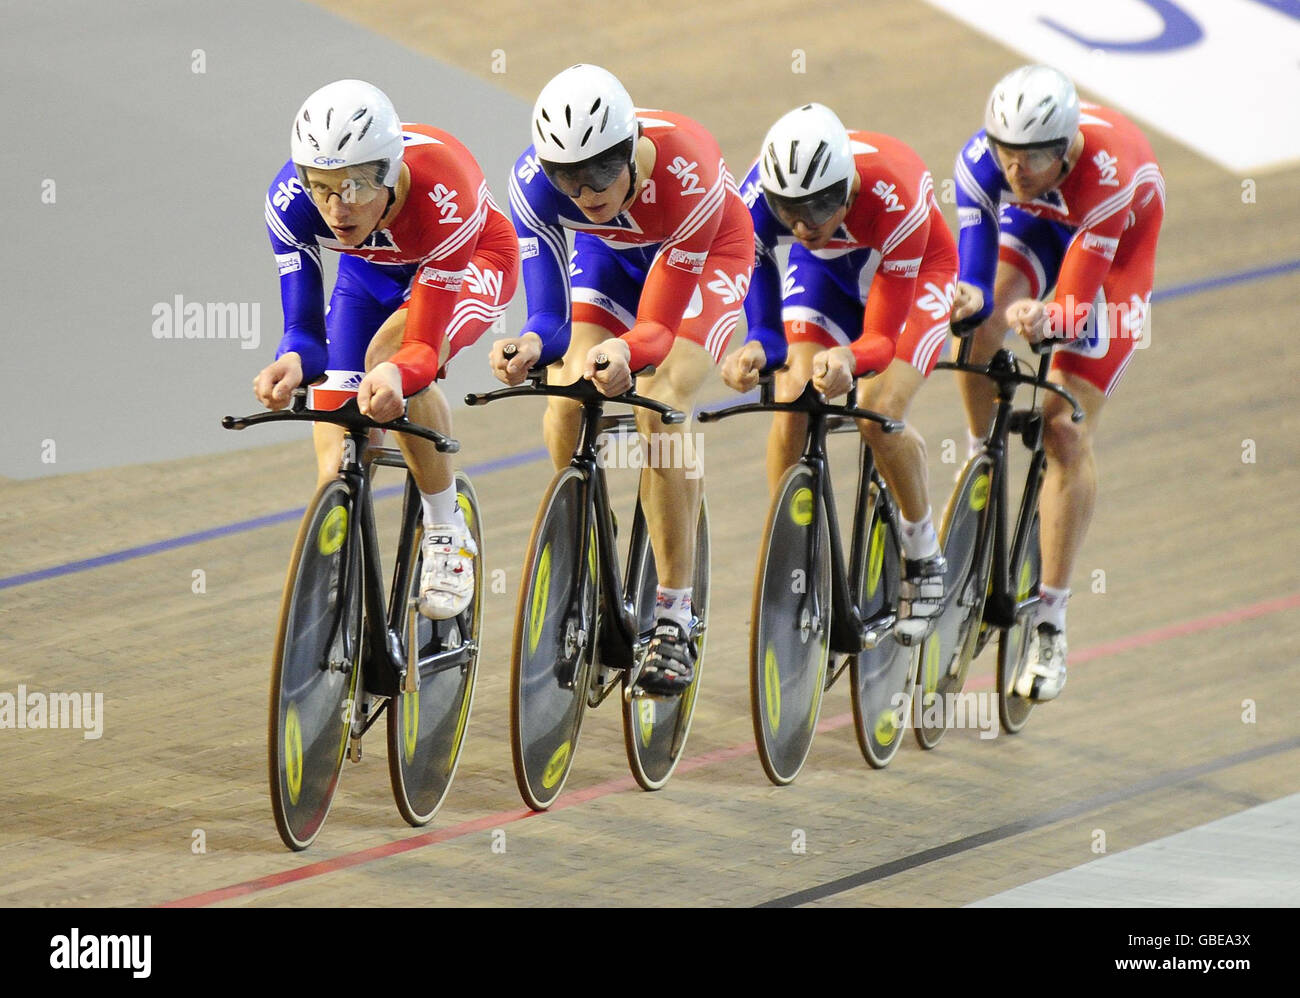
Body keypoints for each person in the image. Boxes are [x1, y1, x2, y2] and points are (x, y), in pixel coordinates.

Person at [491, 64, 754, 694]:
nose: (584, 192)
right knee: (564, 399)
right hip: (610, 256)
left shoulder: (688, 169)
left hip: (703, 253)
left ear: (631, 146)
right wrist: (529, 343)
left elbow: (657, 333)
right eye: (568, 178)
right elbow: (550, 320)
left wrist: (624, 354)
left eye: (601, 173)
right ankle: (589, 531)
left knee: (660, 402)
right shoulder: (535, 186)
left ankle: (674, 614)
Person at [255, 79, 519, 618]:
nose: (335, 207)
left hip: (470, 261)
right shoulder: (291, 204)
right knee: (337, 453)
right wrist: (292, 362)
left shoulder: (446, 194)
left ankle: (447, 531)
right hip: (370, 270)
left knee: (389, 361)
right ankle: (340, 573)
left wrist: (398, 375)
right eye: (320, 187)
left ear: (389, 173)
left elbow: (420, 346)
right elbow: (306, 334)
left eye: (351, 188)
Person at [950, 64, 1165, 700]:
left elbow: (1075, 303)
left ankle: (1050, 620)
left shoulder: (1107, 174)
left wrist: (1051, 319)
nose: (1013, 171)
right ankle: (980, 456)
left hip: (1113, 248)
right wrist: (969, 303)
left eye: (1029, 160)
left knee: (1062, 426)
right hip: (1044, 222)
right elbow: (974, 268)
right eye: (1004, 155)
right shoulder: (983, 162)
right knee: (979, 320)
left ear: (1064, 148)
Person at [721, 103, 957, 638]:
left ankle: (923, 555)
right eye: (789, 211)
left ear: (847, 189)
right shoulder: (759, 197)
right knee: (792, 407)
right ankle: (794, 551)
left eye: (818, 208)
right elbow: (762, 302)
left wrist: (850, 358)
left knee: (878, 411)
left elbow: (880, 337)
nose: (803, 225)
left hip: (914, 277)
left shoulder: (894, 193)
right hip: (828, 271)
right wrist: (760, 346)